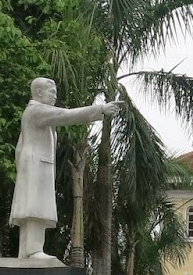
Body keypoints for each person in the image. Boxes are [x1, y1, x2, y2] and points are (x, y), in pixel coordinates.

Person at [8, 78, 124, 262]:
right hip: (36, 164)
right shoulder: (37, 111)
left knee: (32, 207)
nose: (55, 96)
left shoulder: (33, 113)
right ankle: (33, 250)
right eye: (51, 92)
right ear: (38, 93)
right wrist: (100, 109)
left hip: (32, 164)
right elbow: (67, 116)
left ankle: (26, 251)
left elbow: (19, 147)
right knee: (35, 208)